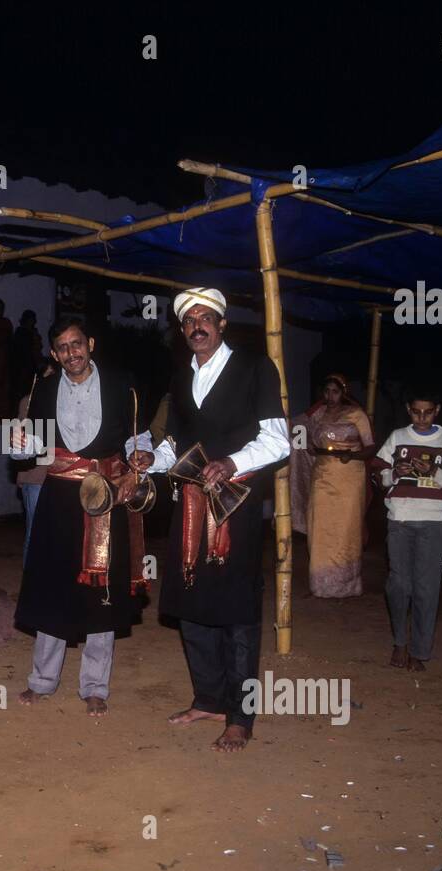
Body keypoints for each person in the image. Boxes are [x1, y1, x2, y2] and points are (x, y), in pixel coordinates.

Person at [128, 288, 289, 753]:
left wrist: (233, 463)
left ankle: (240, 717)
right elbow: (174, 446)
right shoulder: (181, 378)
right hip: (190, 505)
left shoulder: (256, 368)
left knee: (237, 610)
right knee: (191, 601)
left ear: (222, 325)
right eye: (189, 321)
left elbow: (278, 441)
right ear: (182, 331)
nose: (198, 326)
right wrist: (149, 458)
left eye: (206, 319)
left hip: (234, 509)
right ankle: (207, 698)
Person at [11, 322, 146, 716]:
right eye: (62, 348)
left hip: (105, 496)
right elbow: (34, 447)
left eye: (77, 344)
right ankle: (42, 681)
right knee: (53, 583)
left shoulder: (122, 384)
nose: (72, 353)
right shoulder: (46, 389)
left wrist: (138, 465)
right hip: (59, 497)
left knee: (101, 586)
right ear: (54, 354)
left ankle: (94, 687)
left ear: (90, 344)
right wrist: (21, 445)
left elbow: (138, 439)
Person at [373, 389, 442, 671]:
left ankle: (419, 651)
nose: (422, 417)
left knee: (427, 587)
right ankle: (400, 642)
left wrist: (433, 472)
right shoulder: (397, 437)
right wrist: (395, 473)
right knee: (398, 584)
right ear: (408, 409)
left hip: (433, 519)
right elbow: (377, 475)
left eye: (428, 412)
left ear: (437, 410)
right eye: (416, 412)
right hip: (400, 517)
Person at [303, 374, 375, 597]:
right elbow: (309, 440)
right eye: (326, 391)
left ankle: (346, 585)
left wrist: (353, 457)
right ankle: (321, 584)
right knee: (320, 527)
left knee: (346, 528)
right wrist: (311, 448)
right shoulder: (318, 414)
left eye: (335, 391)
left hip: (349, 476)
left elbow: (370, 446)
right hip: (323, 475)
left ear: (343, 393)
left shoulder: (356, 414)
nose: (330, 396)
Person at [14, 360, 55, 563]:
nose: (50, 381)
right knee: (35, 529)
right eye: (46, 377)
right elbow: (25, 439)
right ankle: (30, 579)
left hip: (58, 475)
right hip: (36, 476)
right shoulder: (29, 402)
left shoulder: (63, 402)